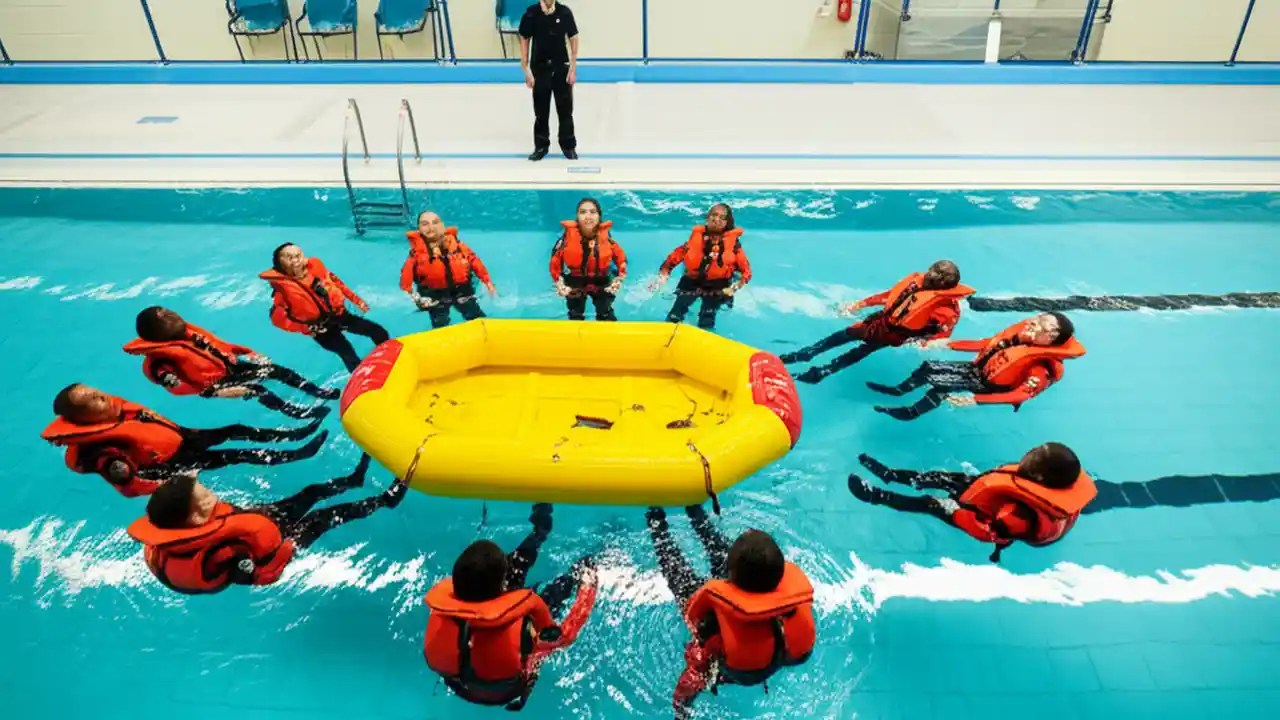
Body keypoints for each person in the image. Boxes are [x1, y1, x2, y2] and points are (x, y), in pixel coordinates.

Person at [125, 454, 408, 594]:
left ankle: (353, 479)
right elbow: (259, 577)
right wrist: (286, 548)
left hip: (252, 525)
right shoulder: (222, 554)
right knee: (324, 518)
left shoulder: (177, 521)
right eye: (207, 495)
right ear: (198, 518)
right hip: (272, 549)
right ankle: (385, 500)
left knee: (309, 493)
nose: (214, 494)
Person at [424, 503, 598, 710]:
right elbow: (565, 636)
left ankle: (540, 532)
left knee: (512, 566)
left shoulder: (442, 615)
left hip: (464, 688)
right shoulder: (521, 634)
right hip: (506, 687)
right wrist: (588, 585)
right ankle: (546, 535)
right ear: (502, 586)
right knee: (563, 584)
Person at [646, 506, 815, 718]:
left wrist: (681, 708)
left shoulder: (714, 624)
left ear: (730, 576)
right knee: (736, 557)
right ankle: (695, 515)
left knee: (678, 574)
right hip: (765, 661)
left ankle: (657, 523)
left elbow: (696, 671)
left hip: (732, 670)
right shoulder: (792, 605)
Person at [40, 384, 327, 498]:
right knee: (237, 454)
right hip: (172, 461)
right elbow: (128, 487)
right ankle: (300, 453)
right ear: (82, 419)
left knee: (236, 428)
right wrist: (172, 483)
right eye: (89, 400)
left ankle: (295, 434)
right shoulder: (106, 452)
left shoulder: (112, 410)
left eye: (93, 391)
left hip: (182, 436)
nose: (98, 396)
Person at [848, 443, 1096, 562]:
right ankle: (891, 475)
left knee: (930, 502)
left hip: (985, 522)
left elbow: (989, 530)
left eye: (1032, 457)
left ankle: (876, 496)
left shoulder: (1015, 515)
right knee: (940, 477)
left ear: (1039, 477)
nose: (1026, 455)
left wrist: (956, 510)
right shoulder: (1043, 484)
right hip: (998, 498)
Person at [123, 306, 337, 420]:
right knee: (257, 389)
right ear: (156, 336)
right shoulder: (160, 361)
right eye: (164, 318)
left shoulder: (188, 333)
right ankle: (295, 411)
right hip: (214, 384)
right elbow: (178, 388)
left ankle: (317, 391)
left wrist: (247, 352)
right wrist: (213, 391)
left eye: (167, 311)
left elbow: (221, 346)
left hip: (229, 365)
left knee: (276, 370)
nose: (171, 315)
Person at [867, 311, 1085, 421]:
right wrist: (948, 344)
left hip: (990, 385)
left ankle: (910, 413)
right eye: (1035, 320)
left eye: (1040, 326)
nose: (1031, 323)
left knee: (940, 387)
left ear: (1051, 338)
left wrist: (976, 400)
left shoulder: (1040, 368)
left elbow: (1019, 395)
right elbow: (987, 344)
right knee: (929, 367)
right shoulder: (1021, 339)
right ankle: (898, 391)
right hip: (978, 370)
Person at [781, 261, 973, 384]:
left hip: (897, 331)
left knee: (848, 333)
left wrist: (927, 342)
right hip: (890, 325)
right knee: (864, 348)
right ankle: (824, 370)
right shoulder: (920, 285)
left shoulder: (945, 308)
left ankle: (807, 357)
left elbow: (943, 332)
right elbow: (891, 296)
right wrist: (862, 304)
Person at [259, 243, 390, 372]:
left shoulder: (316, 269)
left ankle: (390, 356)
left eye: (298, 254)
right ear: (280, 265)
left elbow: (337, 283)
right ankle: (360, 377)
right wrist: (306, 328)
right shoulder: (282, 291)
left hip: (340, 315)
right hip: (320, 329)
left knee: (378, 331)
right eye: (289, 257)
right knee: (346, 352)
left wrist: (358, 301)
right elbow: (278, 319)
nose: (296, 259)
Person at [649, 204, 752, 331]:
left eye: (722, 217)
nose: (716, 219)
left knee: (707, 319)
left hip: (718, 285)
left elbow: (746, 272)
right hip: (692, 282)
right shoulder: (694, 240)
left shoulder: (734, 246)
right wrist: (661, 278)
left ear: (727, 223)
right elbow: (671, 260)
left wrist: (733, 288)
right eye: (714, 215)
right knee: (675, 315)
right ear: (707, 218)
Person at [400, 211, 497, 329]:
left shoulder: (459, 247)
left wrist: (488, 283)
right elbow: (405, 282)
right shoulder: (415, 255)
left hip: (462, 291)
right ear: (419, 229)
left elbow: (475, 262)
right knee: (440, 322)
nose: (431, 227)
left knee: (475, 316)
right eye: (425, 224)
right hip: (434, 295)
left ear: (442, 226)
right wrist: (416, 299)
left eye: (435, 222)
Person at [519, 0, 579, 161]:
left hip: (561, 67)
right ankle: (541, 146)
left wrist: (573, 67)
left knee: (565, 109)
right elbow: (524, 39)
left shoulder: (564, 12)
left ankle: (568, 145)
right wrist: (526, 69)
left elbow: (573, 37)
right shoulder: (531, 14)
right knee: (541, 110)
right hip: (540, 68)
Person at [549, 198, 626, 321]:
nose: (588, 216)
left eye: (592, 212)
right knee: (575, 314)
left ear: (599, 216)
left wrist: (619, 279)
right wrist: (559, 283)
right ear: (577, 217)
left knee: (605, 313)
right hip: (575, 282)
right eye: (583, 212)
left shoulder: (608, 240)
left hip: (602, 281)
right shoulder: (565, 241)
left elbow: (621, 260)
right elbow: (554, 264)